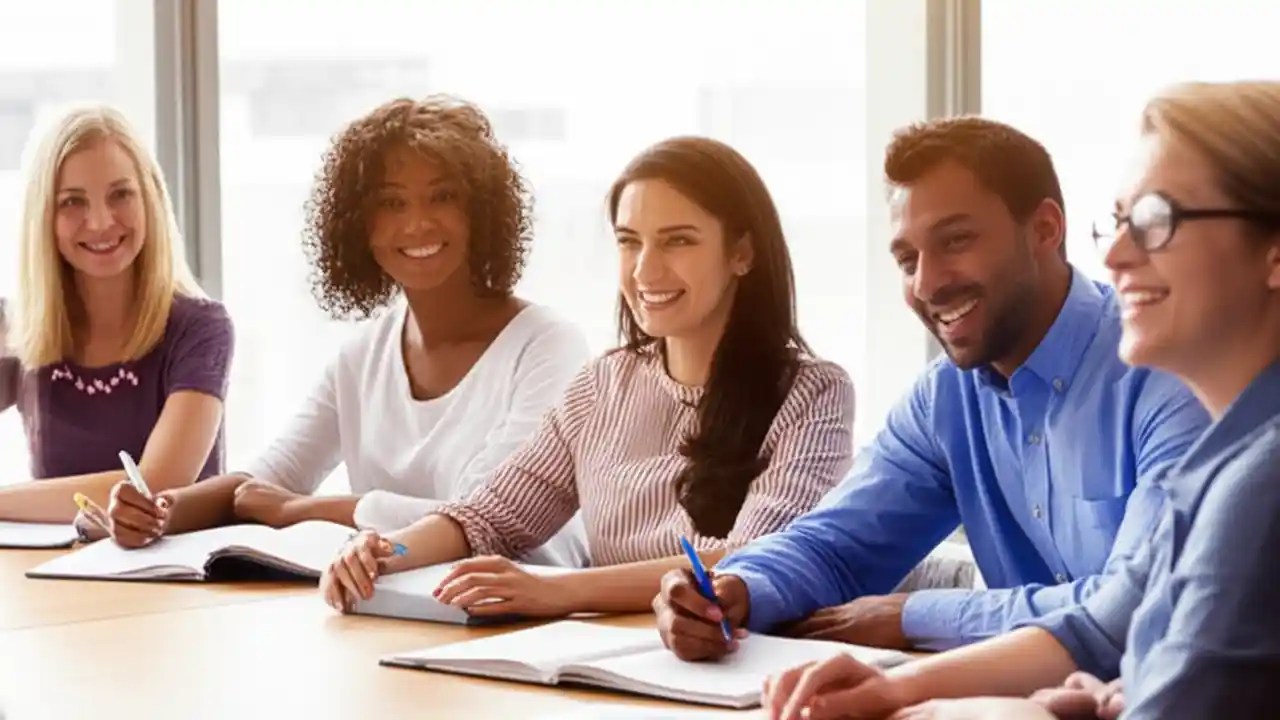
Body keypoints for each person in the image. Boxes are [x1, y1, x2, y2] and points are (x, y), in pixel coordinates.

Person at [760, 79, 1280, 720]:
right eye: (1118, 222)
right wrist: (898, 690)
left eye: (1156, 221)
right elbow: (1104, 626)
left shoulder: (1259, 484)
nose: (1115, 254)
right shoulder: (1223, 464)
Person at [654, 116, 1211, 658]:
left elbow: (1137, 609)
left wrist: (908, 616)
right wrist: (735, 591)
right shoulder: (946, 397)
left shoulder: (1173, 372)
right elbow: (836, 546)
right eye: (906, 259)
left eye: (956, 240)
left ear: (1045, 229)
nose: (927, 282)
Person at [319, 135, 855, 617]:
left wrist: (558, 592)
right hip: (612, 666)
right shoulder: (602, 387)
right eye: (629, 241)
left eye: (678, 241)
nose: (646, 269)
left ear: (742, 252)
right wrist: (384, 553)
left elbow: (754, 561)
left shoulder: (814, 393)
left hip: (749, 673)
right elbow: (488, 517)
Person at [103, 96, 590, 566]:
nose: (417, 223)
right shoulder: (362, 358)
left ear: (482, 210)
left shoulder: (547, 346)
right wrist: (161, 512)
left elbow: (488, 520)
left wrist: (304, 512)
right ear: (358, 225)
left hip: (524, 614)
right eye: (391, 203)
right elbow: (263, 484)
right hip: (397, 611)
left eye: (443, 197)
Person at [0, 106, 232, 523]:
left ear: (150, 198)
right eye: (72, 202)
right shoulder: (20, 325)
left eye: (120, 194)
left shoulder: (201, 329)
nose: (101, 222)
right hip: (51, 577)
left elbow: (153, 488)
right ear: (44, 217)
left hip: (176, 581)